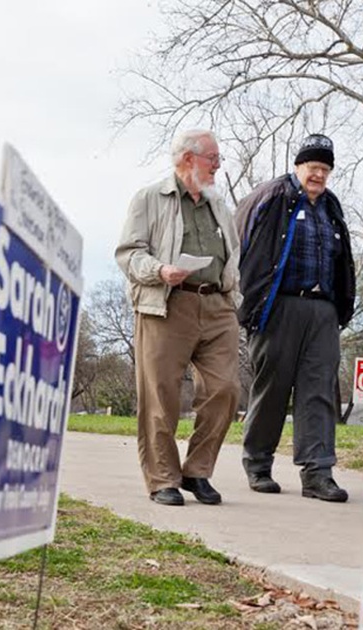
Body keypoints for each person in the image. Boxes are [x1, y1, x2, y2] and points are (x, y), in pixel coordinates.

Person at [115, 129, 242, 507]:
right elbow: (128, 254)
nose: (218, 166)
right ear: (188, 158)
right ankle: (162, 479)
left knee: (225, 390)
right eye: (213, 159)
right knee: (161, 395)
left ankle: (197, 471)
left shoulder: (219, 205)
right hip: (168, 304)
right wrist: (159, 270)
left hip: (217, 305)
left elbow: (231, 253)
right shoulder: (149, 198)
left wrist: (232, 294)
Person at [234, 133, 356, 503]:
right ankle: (258, 464)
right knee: (272, 388)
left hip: (322, 309)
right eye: (312, 167)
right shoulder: (271, 196)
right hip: (277, 306)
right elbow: (238, 242)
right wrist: (248, 302)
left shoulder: (331, 206)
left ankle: (318, 473)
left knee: (319, 391)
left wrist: (342, 305)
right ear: (298, 166)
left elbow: (342, 257)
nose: (318, 174)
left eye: (325, 168)